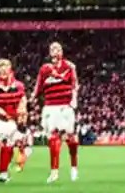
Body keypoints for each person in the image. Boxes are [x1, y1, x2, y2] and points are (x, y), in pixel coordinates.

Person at [33, 41, 80, 183]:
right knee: (53, 139)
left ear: (62, 51)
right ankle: (54, 172)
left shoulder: (70, 66)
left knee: (70, 139)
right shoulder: (44, 69)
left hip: (65, 107)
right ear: (49, 52)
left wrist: (74, 100)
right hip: (50, 107)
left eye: (58, 48)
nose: (55, 50)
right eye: (52, 48)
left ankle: (74, 166)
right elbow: (38, 87)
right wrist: (31, 100)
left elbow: (75, 85)